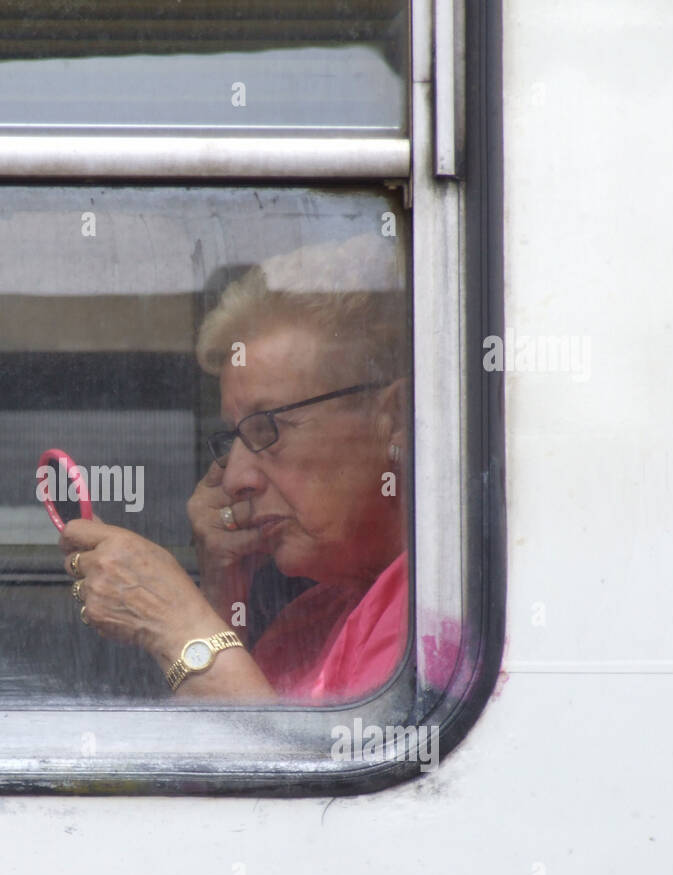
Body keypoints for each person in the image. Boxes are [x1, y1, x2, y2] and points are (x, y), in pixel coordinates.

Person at [60, 237, 410, 703]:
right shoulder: (311, 619)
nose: (234, 478)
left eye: (268, 428)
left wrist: (176, 622)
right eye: (235, 438)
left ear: (396, 418)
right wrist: (224, 594)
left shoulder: (437, 610)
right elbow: (213, 767)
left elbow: (312, 776)